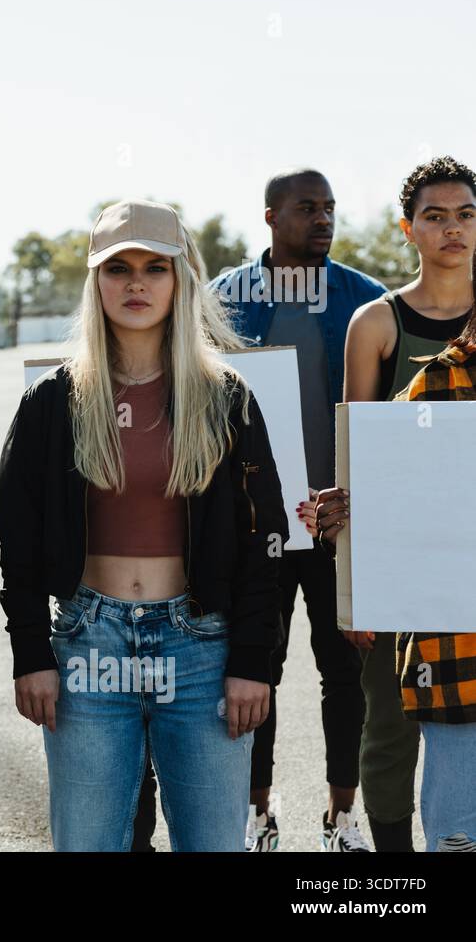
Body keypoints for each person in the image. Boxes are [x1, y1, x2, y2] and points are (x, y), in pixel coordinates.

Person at [0, 200, 287, 851]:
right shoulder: (53, 401)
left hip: (202, 649)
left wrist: (251, 659)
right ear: (95, 282)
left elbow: (263, 542)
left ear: (181, 279)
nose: (136, 283)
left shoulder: (227, 398)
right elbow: (17, 540)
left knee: (213, 841)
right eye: (118, 267)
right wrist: (31, 653)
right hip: (87, 646)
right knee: (88, 841)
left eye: (155, 268)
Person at [211, 169, 383, 851]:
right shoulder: (224, 299)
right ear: (270, 216)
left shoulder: (364, 299)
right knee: (257, 668)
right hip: (257, 526)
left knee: (345, 672)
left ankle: (344, 817)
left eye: (330, 208)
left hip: (338, 523)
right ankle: (260, 812)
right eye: (307, 207)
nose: (323, 218)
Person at [337, 156, 476, 851]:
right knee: (390, 721)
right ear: (408, 229)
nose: (453, 228)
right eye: (435, 215)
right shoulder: (376, 323)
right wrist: (357, 582)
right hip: (403, 557)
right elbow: (356, 458)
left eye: (466, 214)